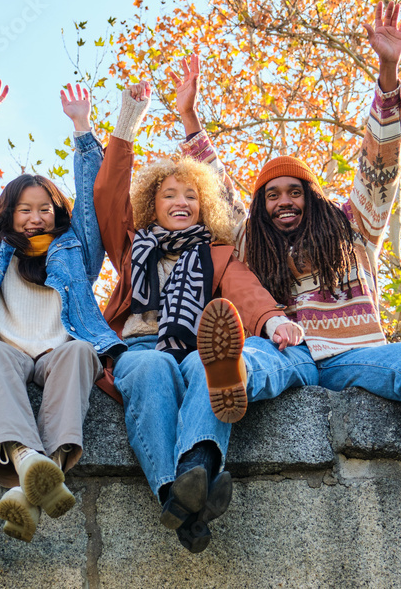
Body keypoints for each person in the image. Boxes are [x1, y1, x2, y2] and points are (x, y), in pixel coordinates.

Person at [189, 1, 401, 541]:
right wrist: (190, 118)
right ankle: (233, 380)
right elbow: (216, 186)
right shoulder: (252, 241)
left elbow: (379, 161)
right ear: (261, 206)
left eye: (294, 192)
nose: (283, 202)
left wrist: (388, 74)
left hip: (359, 354)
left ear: (311, 197)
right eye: (271, 196)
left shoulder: (353, 225)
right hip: (291, 348)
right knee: (248, 353)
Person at [92, 80, 305, 553]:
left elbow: (245, 293)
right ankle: (185, 498)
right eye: (170, 195)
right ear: (153, 204)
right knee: (152, 367)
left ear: (204, 205)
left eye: (191, 196)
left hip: (196, 344)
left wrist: (273, 323)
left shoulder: (219, 253)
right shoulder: (131, 246)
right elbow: (106, 196)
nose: (181, 203)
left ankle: (194, 472)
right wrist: (128, 121)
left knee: (206, 366)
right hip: (139, 346)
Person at [0, 83, 124, 542]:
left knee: (83, 351)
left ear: (55, 213)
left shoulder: (75, 252)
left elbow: (91, 208)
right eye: (23, 209)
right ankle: (32, 462)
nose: (34, 217)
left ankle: (29, 491)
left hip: (55, 353)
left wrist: (83, 130)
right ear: (7, 215)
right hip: (4, 351)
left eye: (44, 208)